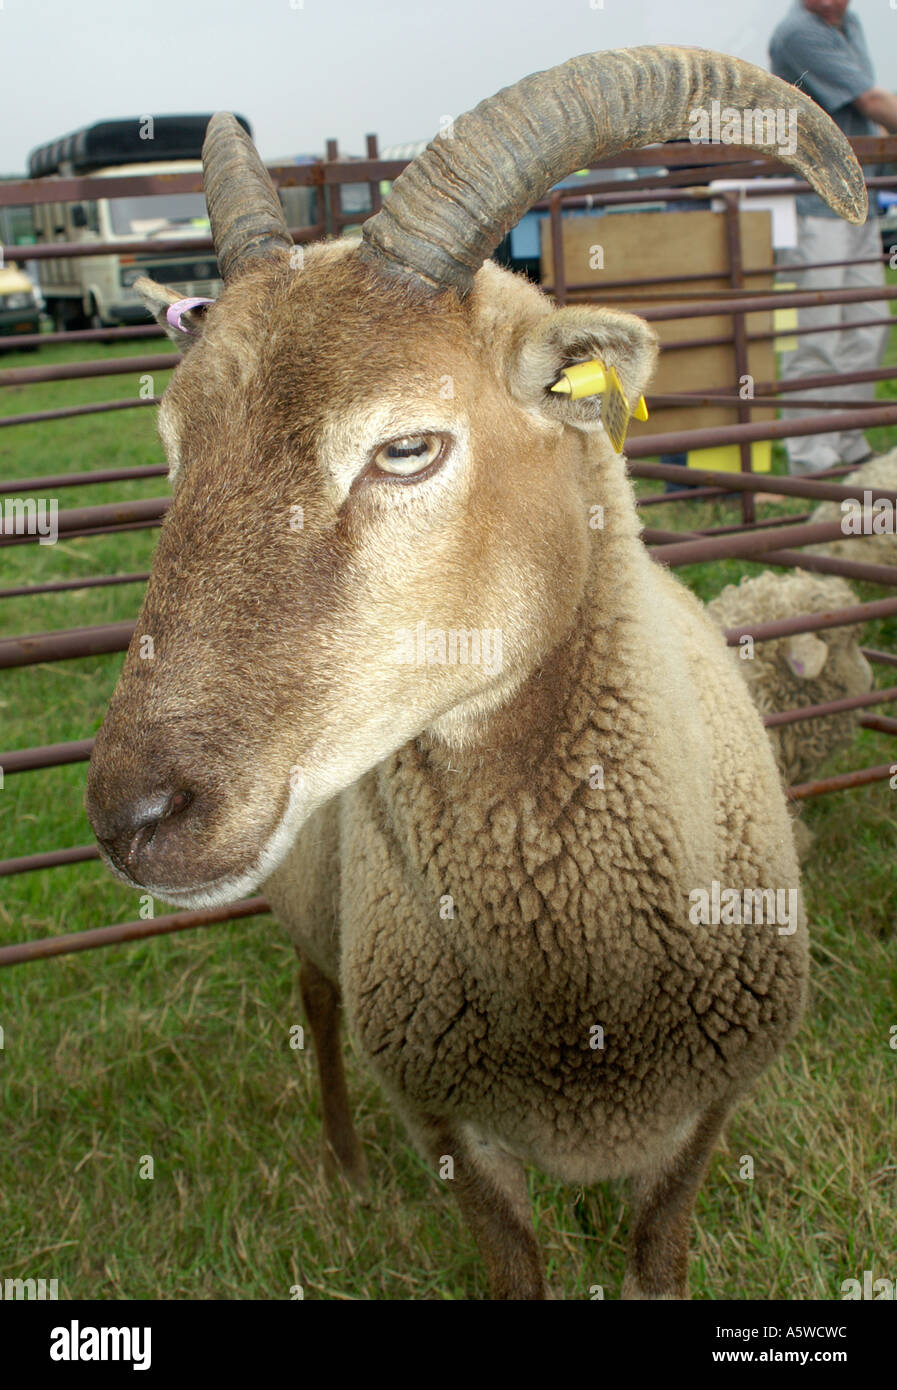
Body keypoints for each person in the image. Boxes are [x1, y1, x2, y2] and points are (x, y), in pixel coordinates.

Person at [769, 0, 897, 474]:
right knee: (817, 332)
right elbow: (872, 101)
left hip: (854, 198)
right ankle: (811, 456)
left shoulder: (849, 22)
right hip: (815, 202)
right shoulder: (798, 31)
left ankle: (846, 438)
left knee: (867, 321)